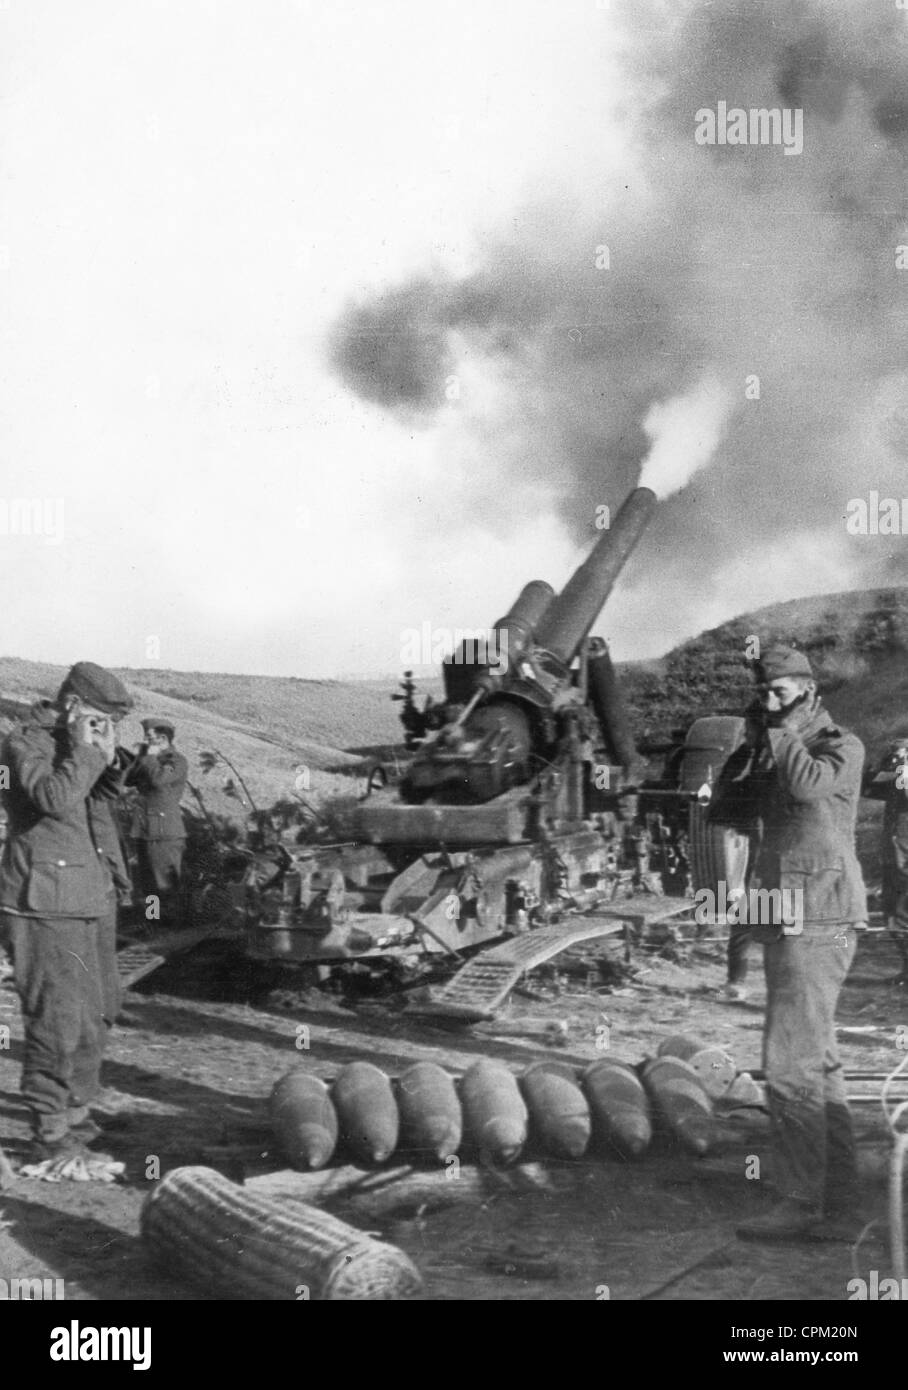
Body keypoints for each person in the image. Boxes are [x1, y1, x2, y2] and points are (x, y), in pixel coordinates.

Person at [723, 645, 867, 1241]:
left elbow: (809, 789)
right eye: (764, 694)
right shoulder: (777, 748)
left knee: (788, 1062)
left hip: (822, 916)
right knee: (818, 1060)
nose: (769, 702)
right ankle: (838, 1199)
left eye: (780, 692)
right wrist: (749, 750)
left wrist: (780, 736)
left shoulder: (841, 746)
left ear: (809, 692)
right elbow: (727, 812)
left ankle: (801, 1202)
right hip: (788, 914)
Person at [0, 661, 133, 1161]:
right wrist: (84, 750)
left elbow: (95, 805)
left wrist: (109, 758)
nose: (100, 728)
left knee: (99, 1012)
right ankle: (49, 1129)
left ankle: (77, 1109)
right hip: (45, 900)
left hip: (90, 894)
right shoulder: (24, 743)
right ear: (73, 705)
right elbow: (54, 799)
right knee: (58, 1019)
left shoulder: (80, 746)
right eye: (97, 717)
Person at [126, 717, 188, 923]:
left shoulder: (176, 760)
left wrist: (150, 758)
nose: (145, 740)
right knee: (149, 884)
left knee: (165, 883)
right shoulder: (149, 759)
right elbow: (128, 779)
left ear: (162, 738)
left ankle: (172, 925)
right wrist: (142, 758)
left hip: (164, 831)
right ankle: (153, 921)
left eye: (149, 737)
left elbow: (158, 780)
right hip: (145, 829)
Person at [862, 737, 908, 981]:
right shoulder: (897, 779)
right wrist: (883, 764)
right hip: (893, 853)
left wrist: (902, 765)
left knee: (903, 913)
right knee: (892, 910)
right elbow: (866, 787)